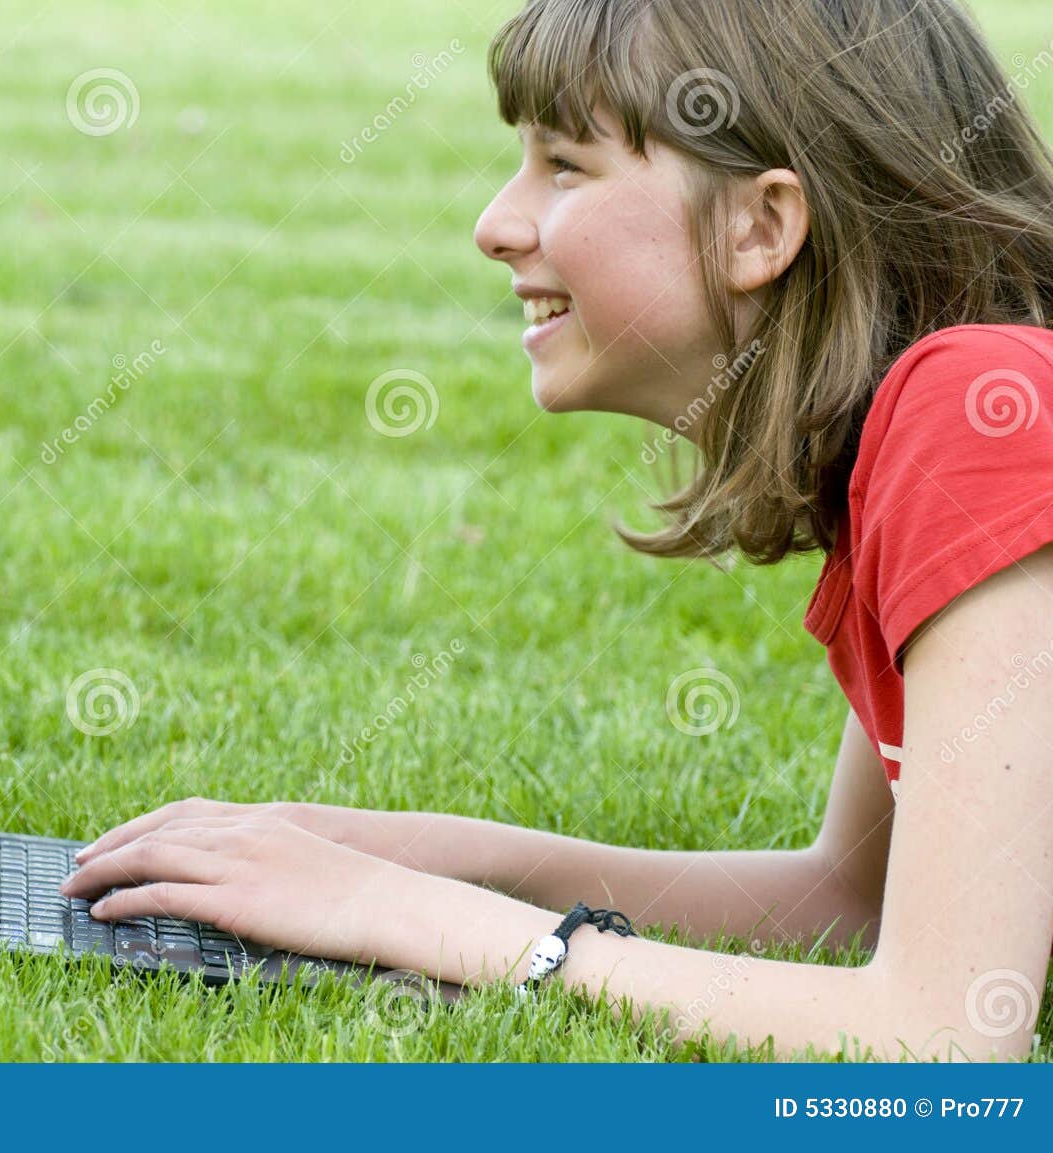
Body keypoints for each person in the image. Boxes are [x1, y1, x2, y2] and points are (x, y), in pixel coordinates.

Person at [63, 0, 1053, 1061]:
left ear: (760, 227)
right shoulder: (917, 440)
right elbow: (846, 897)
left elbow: (945, 1041)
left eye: (563, 165)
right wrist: (398, 856)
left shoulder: (983, 407)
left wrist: (410, 918)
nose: (496, 222)